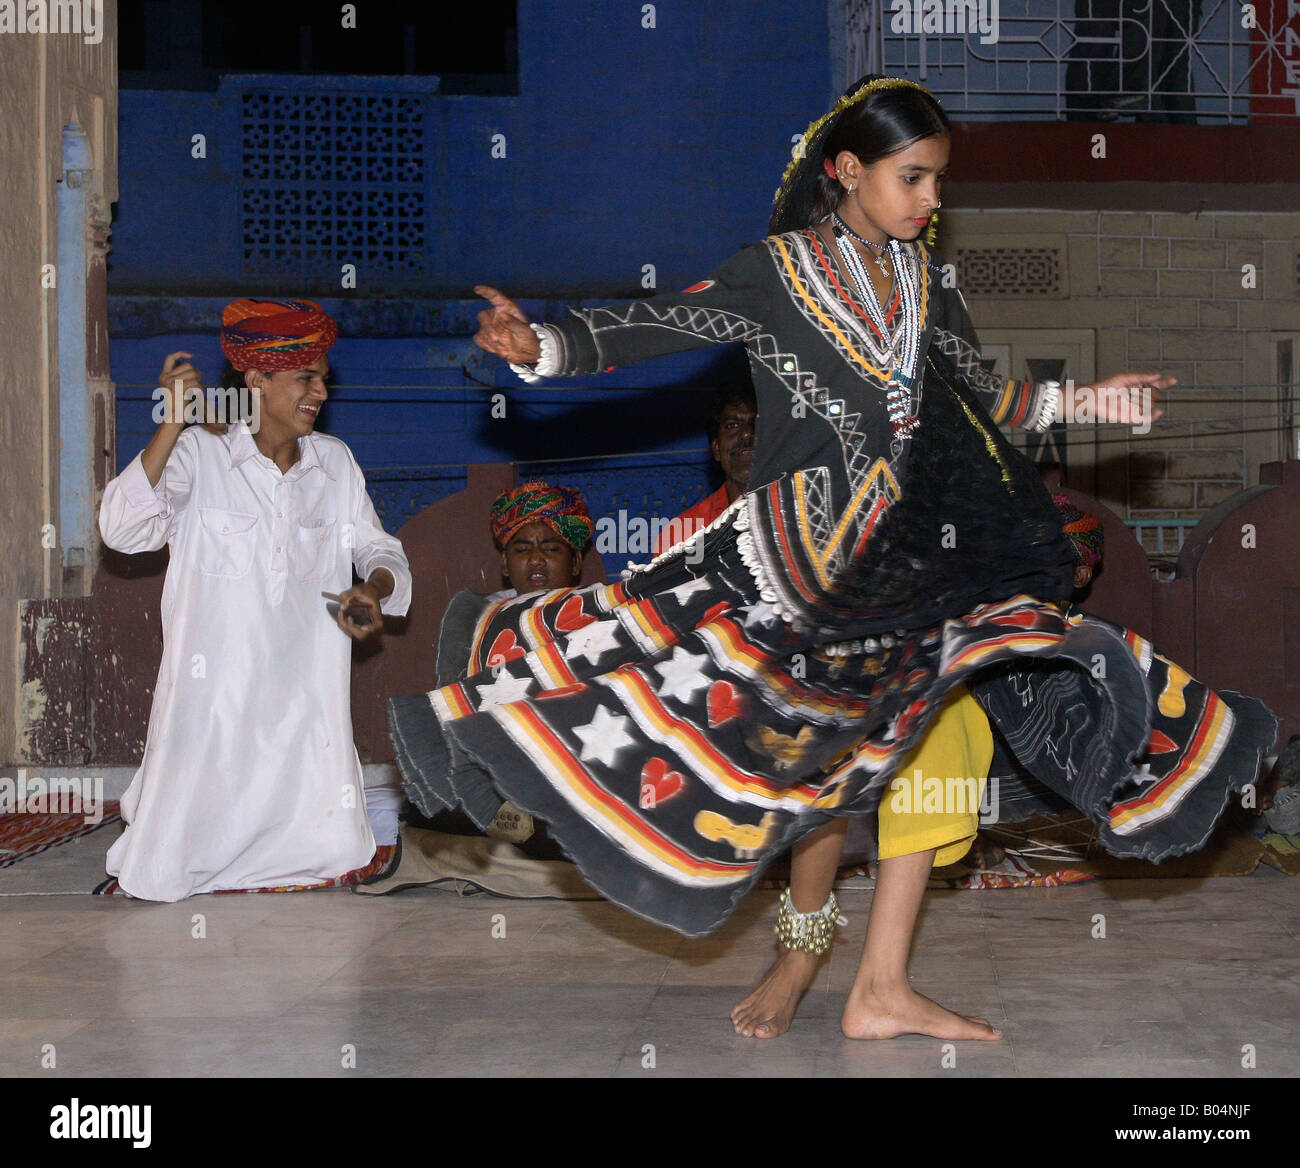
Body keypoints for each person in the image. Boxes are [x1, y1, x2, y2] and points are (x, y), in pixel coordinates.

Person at [389, 76, 1276, 1040]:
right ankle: (805, 949)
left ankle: (880, 983)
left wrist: (1093, 401)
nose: (933, 200)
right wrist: (543, 347)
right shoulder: (778, 272)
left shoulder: (928, 283)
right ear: (848, 170)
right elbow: (662, 324)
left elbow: (982, 399)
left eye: (940, 180)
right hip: (801, 562)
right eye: (913, 177)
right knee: (802, 752)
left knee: (938, 727)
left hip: (913, 554)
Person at [99, 298, 412, 901]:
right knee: (167, 865)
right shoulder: (200, 453)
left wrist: (373, 588)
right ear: (256, 380)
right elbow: (122, 530)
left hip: (305, 701)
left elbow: (381, 549)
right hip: (212, 700)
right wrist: (172, 424)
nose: (320, 391)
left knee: (325, 843)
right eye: (306, 378)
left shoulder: (335, 463)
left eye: (323, 378)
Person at [654, 385, 757, 556]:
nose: (746, 434)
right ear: (716, 449)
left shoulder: (800, 517)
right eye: (732, 425)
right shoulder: (684, 534)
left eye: (757, 423)